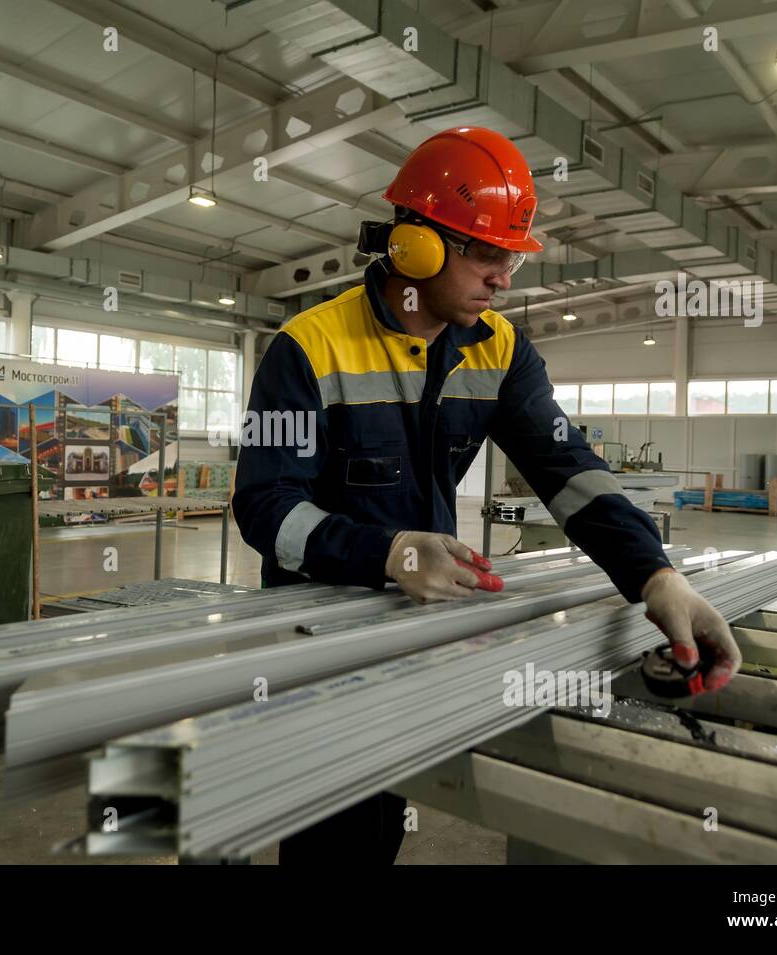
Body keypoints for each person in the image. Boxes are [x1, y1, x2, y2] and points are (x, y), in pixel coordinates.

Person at [231, 126, 742, 864]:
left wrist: (655, 575)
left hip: (422, 623)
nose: (505, 277)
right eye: (486, 253)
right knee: (333, 835)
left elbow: (571, 471)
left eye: (511, 256)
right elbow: (266, 507)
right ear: (414, 249)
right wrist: (390, 551)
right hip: (322, 640)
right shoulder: (308, 347)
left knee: (386, 816)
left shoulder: (498, 348)